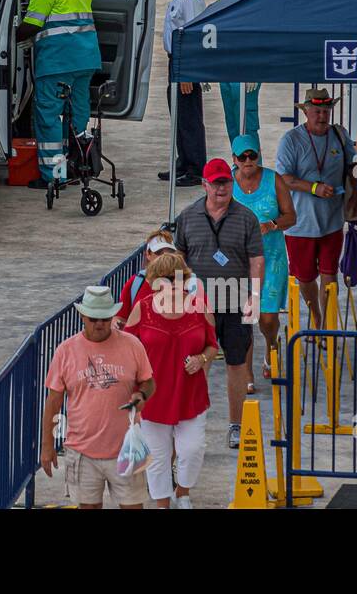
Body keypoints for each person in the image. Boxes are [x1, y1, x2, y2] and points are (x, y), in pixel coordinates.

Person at [172, 158, 264, 449]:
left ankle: (235, 426)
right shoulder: (187, 217)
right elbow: (179, 259)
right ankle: (191, 424)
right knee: (197, 365)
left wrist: (255, 295)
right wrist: (179, 295)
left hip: (235, 301)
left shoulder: (246, 218)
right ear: (205, 185)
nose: (221, 188)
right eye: (215, 183)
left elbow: (256, 260)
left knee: (236, 364)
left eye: (225, 182)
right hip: (199, 306)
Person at [41, 286, 156, 508]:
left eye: (104, 318)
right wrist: (47, 445)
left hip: (126, 448)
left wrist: (142, 394)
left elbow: (149, 382)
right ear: (82, 316)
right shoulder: (65, 351)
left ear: (112, 315)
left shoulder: (132, 345)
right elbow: (53, 402)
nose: (99, 324)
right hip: (82, 451)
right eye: (93, 319)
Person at [122, 252, 220, 509]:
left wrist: (201, 359)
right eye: (164, 279)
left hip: (190, 393)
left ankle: (183, 492)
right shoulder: (141, 309)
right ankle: (162, 503)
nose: (171, 283)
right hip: (154, 397)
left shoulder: (199, 307)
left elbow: (212, 345)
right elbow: (126, 348)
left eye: (177, 278)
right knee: (157, 458)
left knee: (192, 449)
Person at [276, 88, 357, 330]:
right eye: (317, 112)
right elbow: (284, 178)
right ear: (306, 113)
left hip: (332, 221)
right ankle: (316, 317)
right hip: (300, 224)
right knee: (306, 277)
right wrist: (313, 188)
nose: (322, 117)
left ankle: (327, 328)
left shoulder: (339, 135)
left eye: (326, 111)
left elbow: (354, 164)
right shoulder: (291, 140)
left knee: (330, 274)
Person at [17, 0, 100, 189]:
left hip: (57, 62)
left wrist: (8, 39)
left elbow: (32, 24)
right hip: (86, 61)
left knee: (49, 118)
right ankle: (77, 168)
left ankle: (53, 177)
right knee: (77, 117)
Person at [229, 133, 295, 381]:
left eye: (252, 155)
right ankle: (247, 374)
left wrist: (272, 224)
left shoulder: (273, 180)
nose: (248, 161)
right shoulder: (229, 184)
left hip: (272, 258)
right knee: (246, 318)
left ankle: (271, 346)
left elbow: (292, 216)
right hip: (240, 261)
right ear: (234, 159)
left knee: (267, 317)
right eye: (242, 157)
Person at [156, 0, 207, 186]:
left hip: (184, 63)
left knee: (189, 117)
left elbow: (194, 37)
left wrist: (187, 71)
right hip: (176, 61)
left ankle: (196, 168)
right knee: (178, 114)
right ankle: (184, 161)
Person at [217, 0, 260, 151]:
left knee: (246, 124)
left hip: (245, 70)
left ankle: (253, 168)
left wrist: (254, 69)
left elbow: (258, 37)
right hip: (226, 69)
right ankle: (237, 166)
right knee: (232, 122)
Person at [114, 230, 177, 329]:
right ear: (148, 254)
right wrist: (118, 324)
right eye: (159, 253)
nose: (164, 258)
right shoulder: (136, 282)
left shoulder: (186, 283)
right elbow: (121, 316)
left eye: (169, 253)